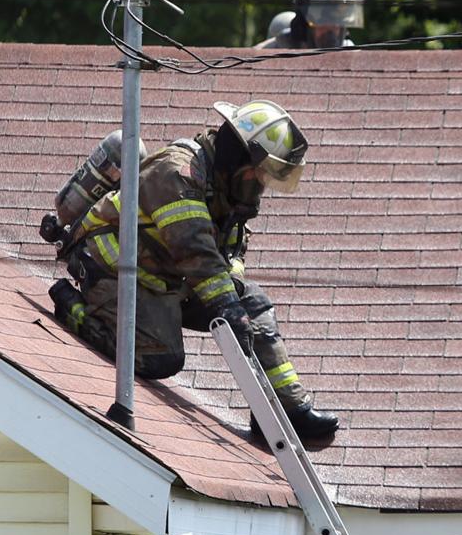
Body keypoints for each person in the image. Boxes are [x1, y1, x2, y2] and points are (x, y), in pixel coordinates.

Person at [47, 99, 340, 439]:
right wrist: (226, 305)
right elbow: (194, 247)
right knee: (159, 358)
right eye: (259, 177)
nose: (259, 187)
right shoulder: (177, 172)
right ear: (241, 159)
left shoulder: (228, 192)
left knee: (253, 303)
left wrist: (236, 299)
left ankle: (286, 410)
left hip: (162, 278)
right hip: (112, 267)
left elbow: (229, 257)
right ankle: (73, 307)